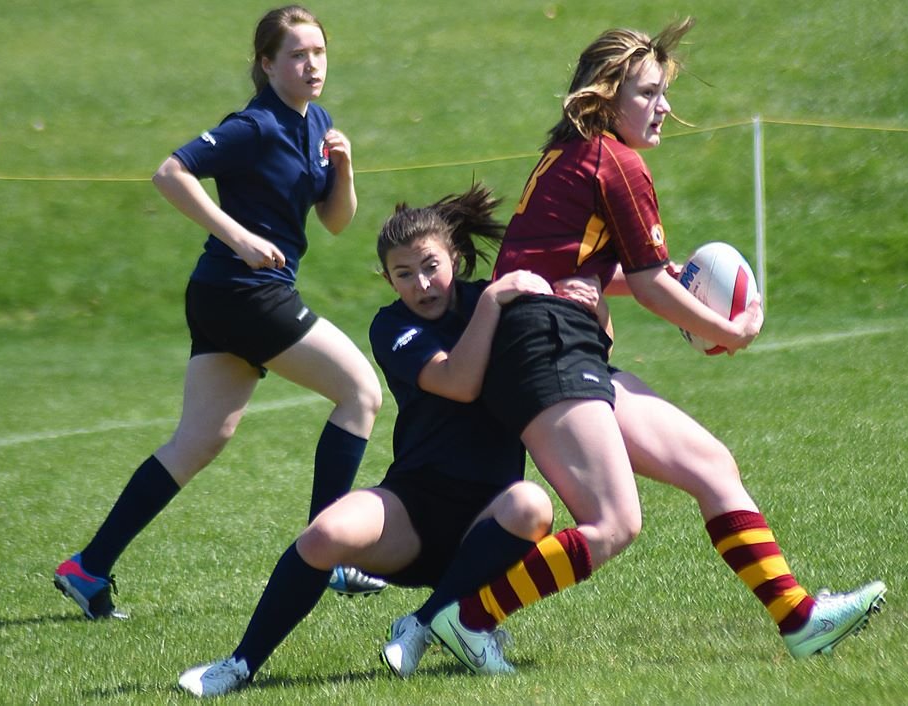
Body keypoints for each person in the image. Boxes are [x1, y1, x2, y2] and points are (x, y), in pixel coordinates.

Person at [413, 18, 885, 674]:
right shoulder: (615, 161)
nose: (664, 107)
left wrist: (656, 283)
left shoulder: (572, 156)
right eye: (647, 93)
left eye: (663, 92)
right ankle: (466, 618)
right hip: (543, 347)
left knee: (711, 465)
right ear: (603, 99)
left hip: (556, 345)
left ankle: (799, 618)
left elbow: (588, 270)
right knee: (612, 522)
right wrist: (729, 330)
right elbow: (651, 285)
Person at [176, 183, 601, 697]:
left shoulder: (499, 302)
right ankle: (239, 665)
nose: (421, 284)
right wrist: (491, 301)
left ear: (456, 259)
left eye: (430, 266)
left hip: (486, 521)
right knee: (321, 536)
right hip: (413, 509)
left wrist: (588, 307)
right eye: (404, 274)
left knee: (534, 504)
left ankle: (422, 624)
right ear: (388, 280)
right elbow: (458, 384)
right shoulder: (393, 324)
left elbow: (582, 353)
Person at [53, 5, 386, 620]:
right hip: (242, 290)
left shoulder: (319, 124)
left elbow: (336, 223)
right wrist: (236, 236)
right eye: (296, 54)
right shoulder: (254, 125)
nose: (311, 65)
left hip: (228, 294)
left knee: (201, 439)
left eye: (318, 52)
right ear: (267, 64)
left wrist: (343, 167)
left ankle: (88, 567)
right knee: (361, 392)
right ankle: (331, 551)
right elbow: (169, 172)